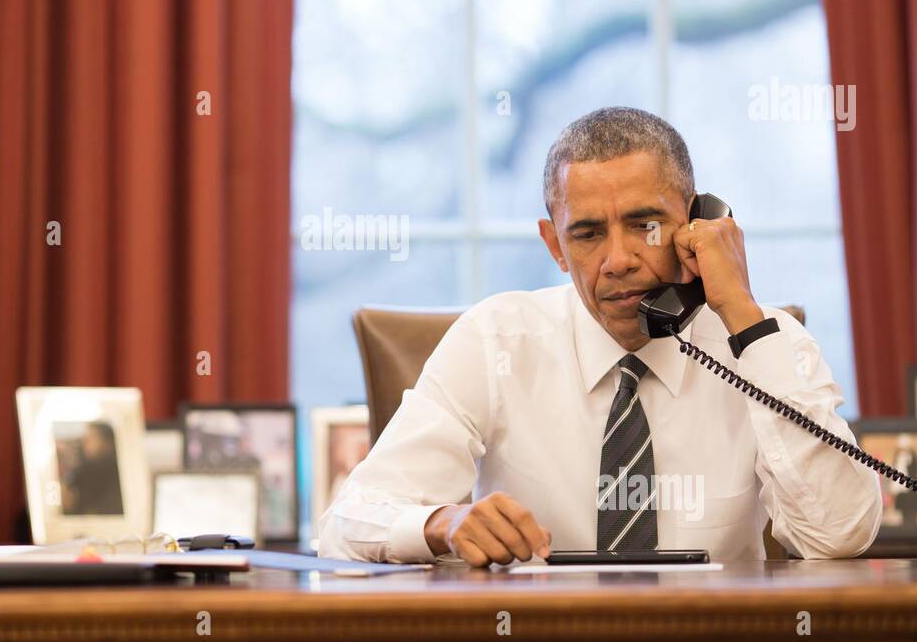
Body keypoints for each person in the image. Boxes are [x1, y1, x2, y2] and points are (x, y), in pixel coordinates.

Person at [318, 107, 882, 566]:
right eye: (587, 234)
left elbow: (839, 534)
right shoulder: (495, 342)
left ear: (696, 223)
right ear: (554, 245)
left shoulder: (766, 344)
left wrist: (743, 319)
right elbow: (346, 525)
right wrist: (443, 522)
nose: (618, 260)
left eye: (645, 226)